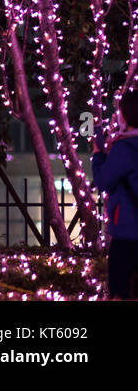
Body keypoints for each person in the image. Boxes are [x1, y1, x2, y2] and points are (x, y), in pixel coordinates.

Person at [92, 91, 138, 300]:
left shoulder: (124, 148)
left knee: (121, 291)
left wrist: (98, 155)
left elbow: (103, 182)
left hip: (128, 232)